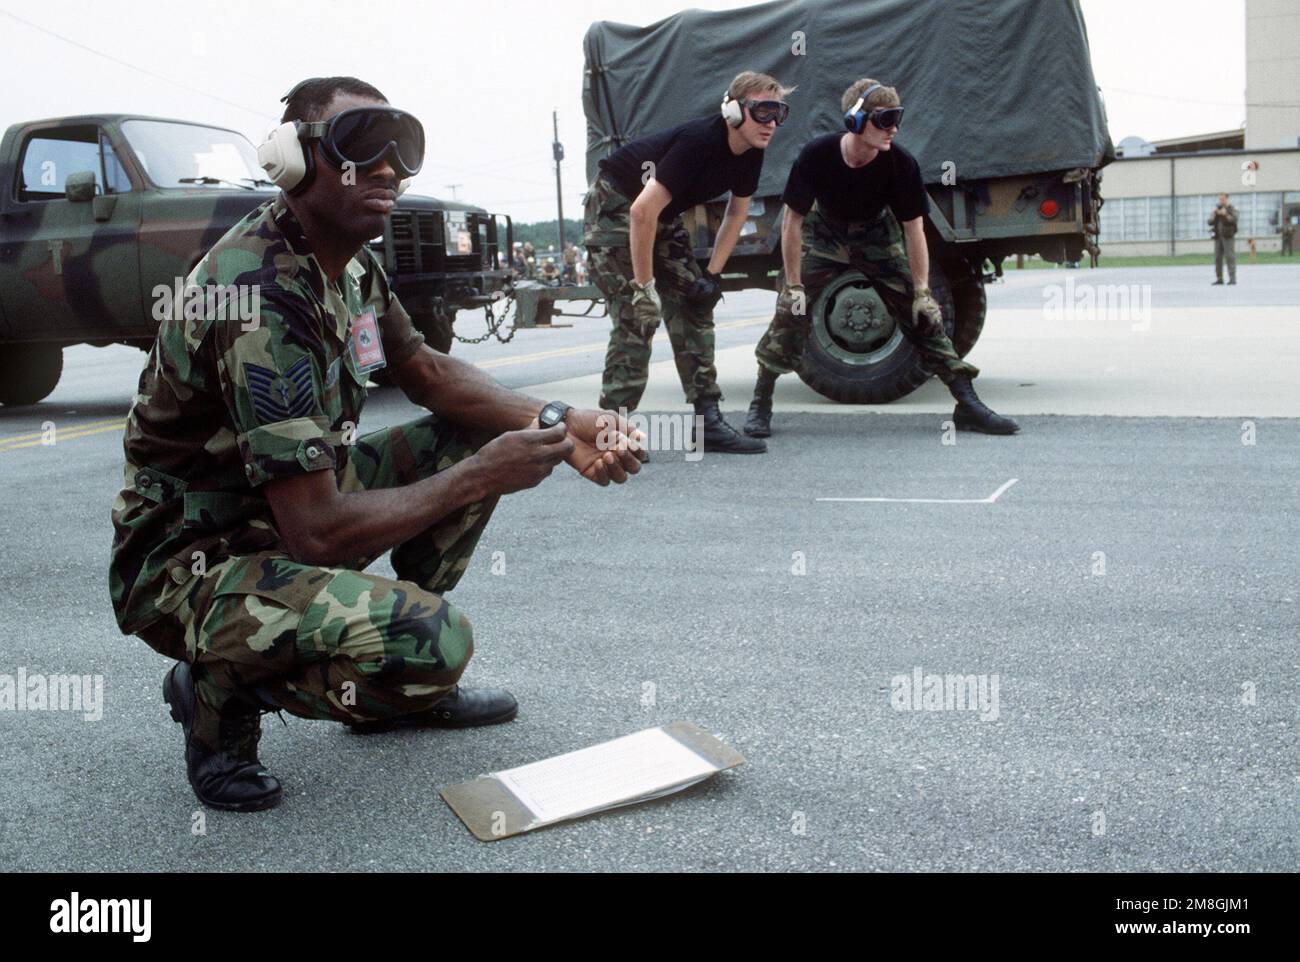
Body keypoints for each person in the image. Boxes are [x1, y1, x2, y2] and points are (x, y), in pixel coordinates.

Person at [108, 77, 646, 813]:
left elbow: (425, 371)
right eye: (360, 147)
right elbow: (318, 531)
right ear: (292, 161)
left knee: (475, 431)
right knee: (439, 643)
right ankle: (217, 689)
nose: (388, 168)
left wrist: (558, 416)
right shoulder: (259, 298)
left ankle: (387, 677)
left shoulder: (351, 261)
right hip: (187, 555)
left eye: (402, 148)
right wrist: (482, 475)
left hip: (272, 510)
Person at [743, 78, 1018, 438]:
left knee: (923, 314)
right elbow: (792, 222)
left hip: (877, 234)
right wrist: (793, 285)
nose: (893, 129)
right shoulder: (817, 155)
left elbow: (913, 230)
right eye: (884, 120)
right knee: (791, 311)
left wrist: (921, 290)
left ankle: (967, 403)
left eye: (896, 118)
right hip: (825, 234)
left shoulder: (900, 164)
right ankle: (761, 402)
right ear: (855, 121)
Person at [585, 70, 793, 454]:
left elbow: (736, 214)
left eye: (779, 113)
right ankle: (610, 434)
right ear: (733, 111)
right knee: (638, 317)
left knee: (696, 302)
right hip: (616, 209)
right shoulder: (699, 141)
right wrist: (644, 289)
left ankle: (707, 422)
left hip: (660, 217)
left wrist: (711, 275)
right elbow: (640, 213)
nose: (772, 124)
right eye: (763, 112)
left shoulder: (751, 152)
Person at [1209, 193, 1237, 285]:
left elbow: (1234, 220)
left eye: (1223, 199)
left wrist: (1226, 214)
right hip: (1218, 236)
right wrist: (1213, 215)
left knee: (1230, 257)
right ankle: (1219, 278)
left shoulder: (1232, 209)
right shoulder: (1217, 209)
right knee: (1217, 258)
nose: (1221, 201)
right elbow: (1210, 222)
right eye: (1220, 199)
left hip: (1228, 236)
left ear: (1227, 199)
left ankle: (1232, 278)